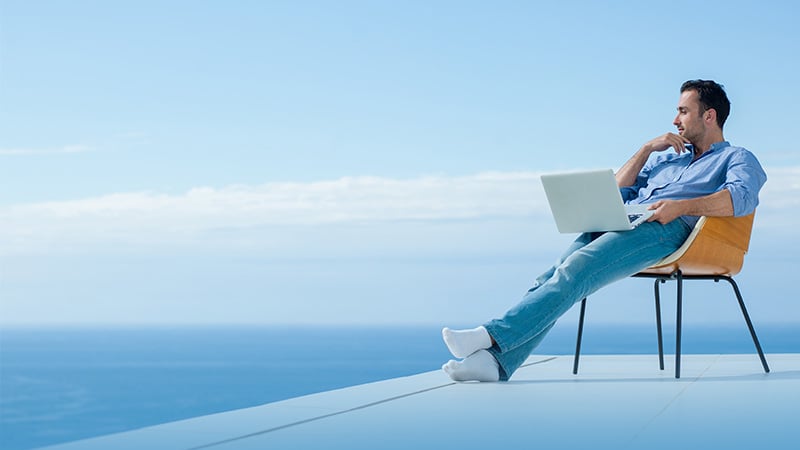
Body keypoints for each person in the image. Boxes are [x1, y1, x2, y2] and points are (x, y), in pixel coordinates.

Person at [441, 79, 767, 382]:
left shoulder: (737, 157)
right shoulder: (667, 161)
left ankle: (492, 335)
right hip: (627, 221)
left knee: (576, 270)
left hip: (669, 230)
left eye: (683, 111)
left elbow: (741, 198)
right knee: (554, 275)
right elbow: (614, 192)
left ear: (709, 116)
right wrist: (645, 150)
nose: (675, 120)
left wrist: (681, 206)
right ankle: (497, 364)